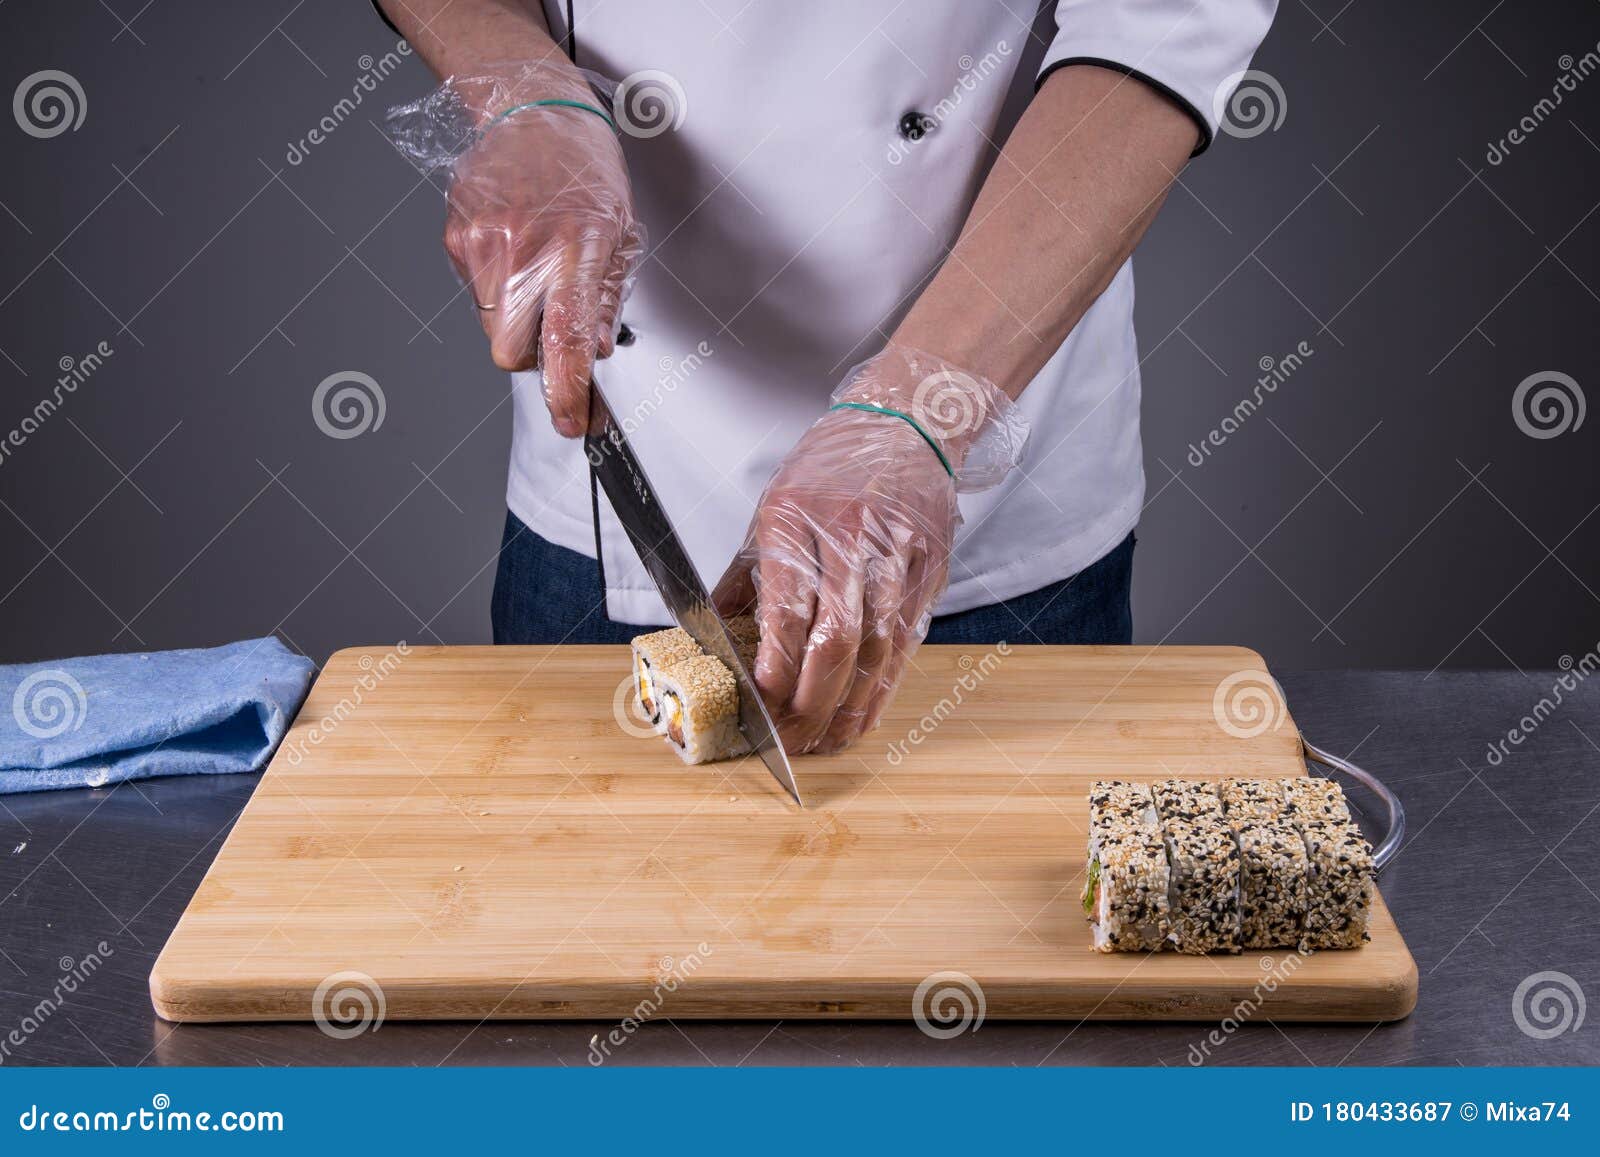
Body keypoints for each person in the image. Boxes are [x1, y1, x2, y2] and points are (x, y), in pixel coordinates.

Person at [377, 0, 1278, 753]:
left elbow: (1163, 20)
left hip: (989, 512)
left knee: (998, 941)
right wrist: (524, 93)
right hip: (608, 509)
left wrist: (926, 405)